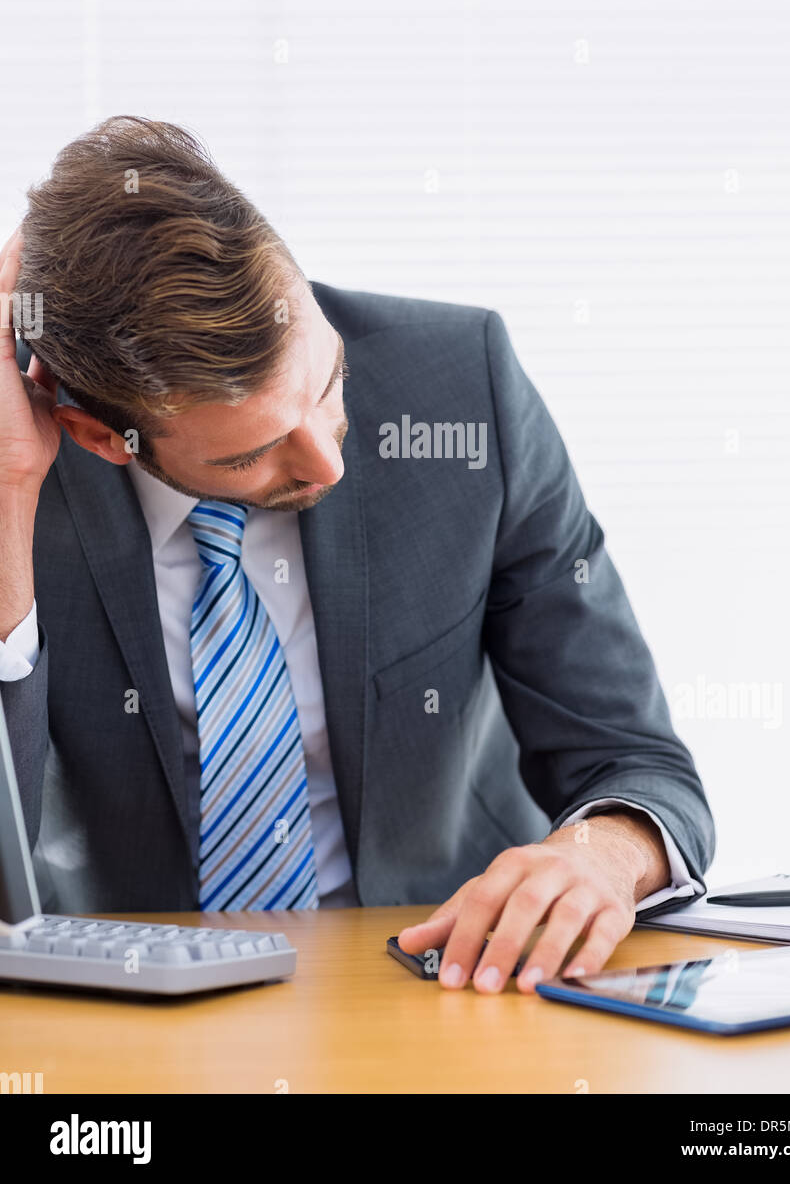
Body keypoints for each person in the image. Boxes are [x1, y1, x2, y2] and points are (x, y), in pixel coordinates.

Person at [0, 116, 713, 995]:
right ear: (101, 436)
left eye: (326, 382)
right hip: (128, 997)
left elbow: (636, 761)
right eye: (246, 455)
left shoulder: (463, 386)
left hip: (443, 978)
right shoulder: (26, 470)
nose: (326, 462)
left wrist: (604, 853)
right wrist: (6, 502)